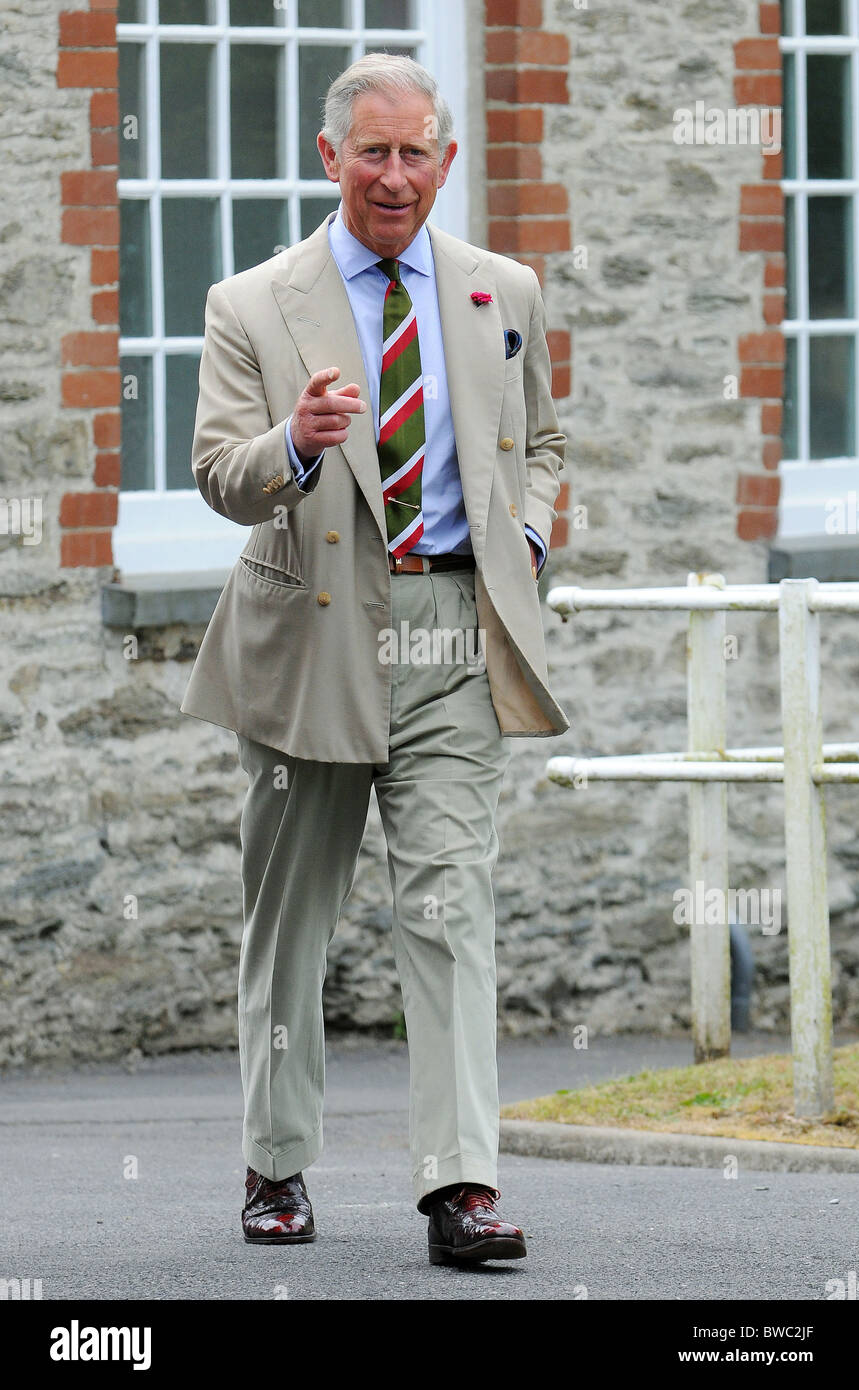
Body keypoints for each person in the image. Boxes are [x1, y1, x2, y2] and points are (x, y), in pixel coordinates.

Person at [180, 52, 568, 1266]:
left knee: (451, 908)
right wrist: (291, 446)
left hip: (451, 631)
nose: (393, 176)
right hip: (307, 646)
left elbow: (544, 443)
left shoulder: (502, 290)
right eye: (372, 152)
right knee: (292, 919)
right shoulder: (252, 303)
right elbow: (214, 476)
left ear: (446, 162)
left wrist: (530, 530)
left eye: (415, 154)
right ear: (329, 158)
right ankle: (277, 1165)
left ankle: (460, 1185)